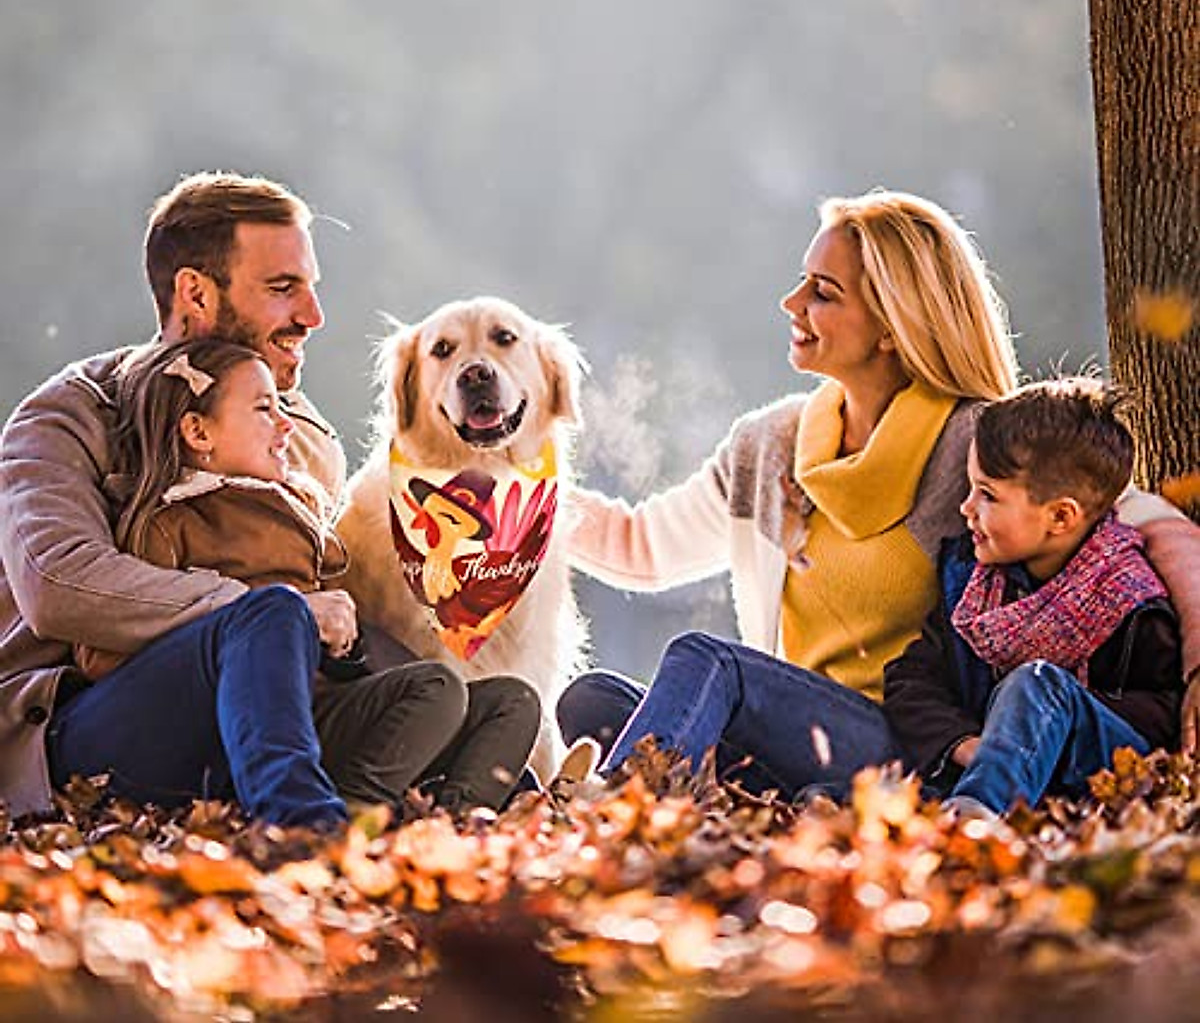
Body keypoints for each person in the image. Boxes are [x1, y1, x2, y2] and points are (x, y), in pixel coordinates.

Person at [559, 189, 1200, 799]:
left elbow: (1144, 524)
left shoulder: (972, 445)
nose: (791, 302)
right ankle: (750, 803)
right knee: (592, 701)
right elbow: (638, 546)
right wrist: (516, 495)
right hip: (792, 732)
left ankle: (611, 816)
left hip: (915, 741)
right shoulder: (770, 445)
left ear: (892, 326)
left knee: (703, 661)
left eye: (823, 292)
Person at [0, 171, 538, 826]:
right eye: (283, 289)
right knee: (274, 616)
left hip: (271, 718)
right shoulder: (71, 414)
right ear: (194, 293)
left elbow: (334, 607)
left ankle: (433, 829)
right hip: (95, 728)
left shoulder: (305, 440)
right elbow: (57, 583)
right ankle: (303, 833)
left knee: (483, 701)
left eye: (312, 289)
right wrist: (267, 612)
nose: (313, 317)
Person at [883, 378, 1180, 818]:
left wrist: (1046, 723)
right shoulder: (971, 583)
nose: (966, 509)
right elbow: (911, 680)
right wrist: (972, 745)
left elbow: (1167, 714)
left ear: (1060, 516)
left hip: (1093, 771)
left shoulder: (1131, 601)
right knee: (825, 794)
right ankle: (973, 799)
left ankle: (972, 824)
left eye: (987, 495)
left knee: (1036, 683)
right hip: (988, 770)